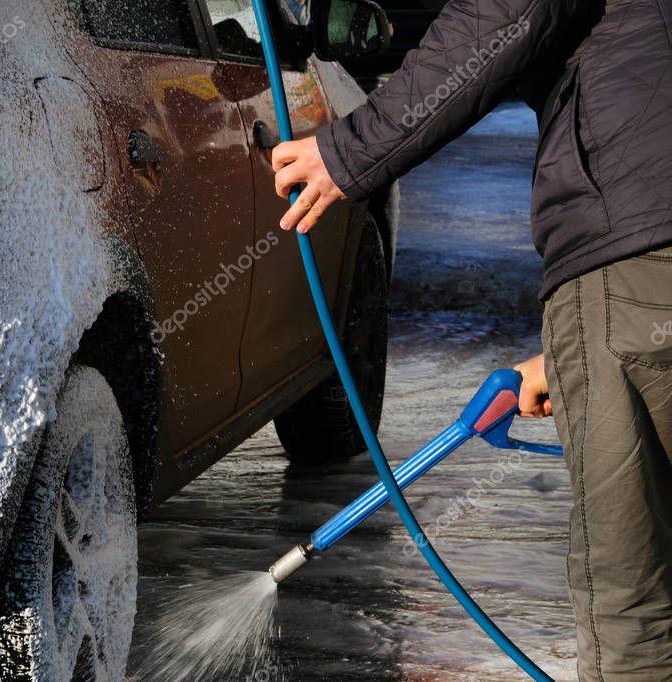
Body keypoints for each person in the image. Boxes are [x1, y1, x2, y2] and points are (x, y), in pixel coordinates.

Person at [271, 0, 672, 676]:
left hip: (638, 250)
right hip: (641, 281)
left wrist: (349, 150)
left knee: (634, 601)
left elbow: (508, 13)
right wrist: (577, 344)